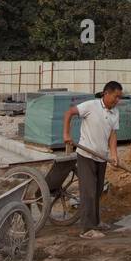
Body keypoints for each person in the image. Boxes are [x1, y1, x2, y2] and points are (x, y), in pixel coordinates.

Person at [53, 81, 122, 239]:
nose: (117, 100)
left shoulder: (115, 113)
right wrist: (66, 134)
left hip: (101, 157)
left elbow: (112, 135)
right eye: (116, 97)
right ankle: (86, 229)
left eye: (119, 98)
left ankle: (96, 222)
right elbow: (69, 113)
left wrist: (114, 155)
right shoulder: (91, 106)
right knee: (88, 192)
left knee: (97, 192)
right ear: (106, 93)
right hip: (86, 156)